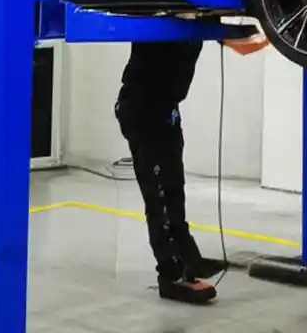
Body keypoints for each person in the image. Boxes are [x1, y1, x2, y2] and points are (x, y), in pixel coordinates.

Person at [114, 33, 269, 304]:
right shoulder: (160, 16)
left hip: (166, 109)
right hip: (142, 109)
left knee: (173, 189)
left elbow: (246, 46)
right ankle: (171, 276)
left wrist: (277, 34)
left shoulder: (199, 21)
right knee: (160, 193)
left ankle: (188, 261)